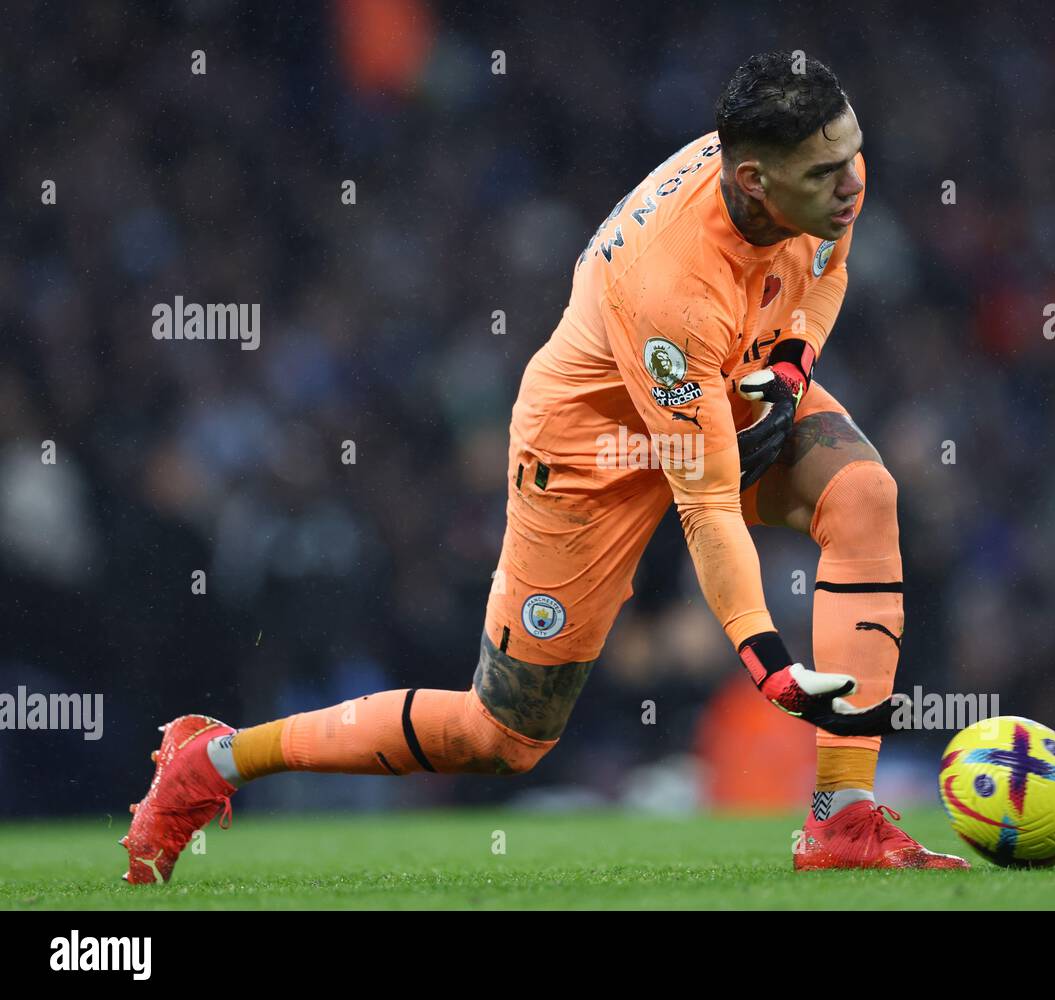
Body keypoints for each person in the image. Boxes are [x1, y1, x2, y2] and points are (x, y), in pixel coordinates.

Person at [120, 51, 968, 883]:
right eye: (827, 171)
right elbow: (705, 507)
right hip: (588, 452)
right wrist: (768, 662)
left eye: (851, 152)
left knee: (863, 494)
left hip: (725, 386)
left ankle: (841, 819)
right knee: (499, 738)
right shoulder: (671, 284)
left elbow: (827, 267)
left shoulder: (819, 166)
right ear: (753, 179)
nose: (852, 181)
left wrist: (791, 362)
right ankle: (216, 759)